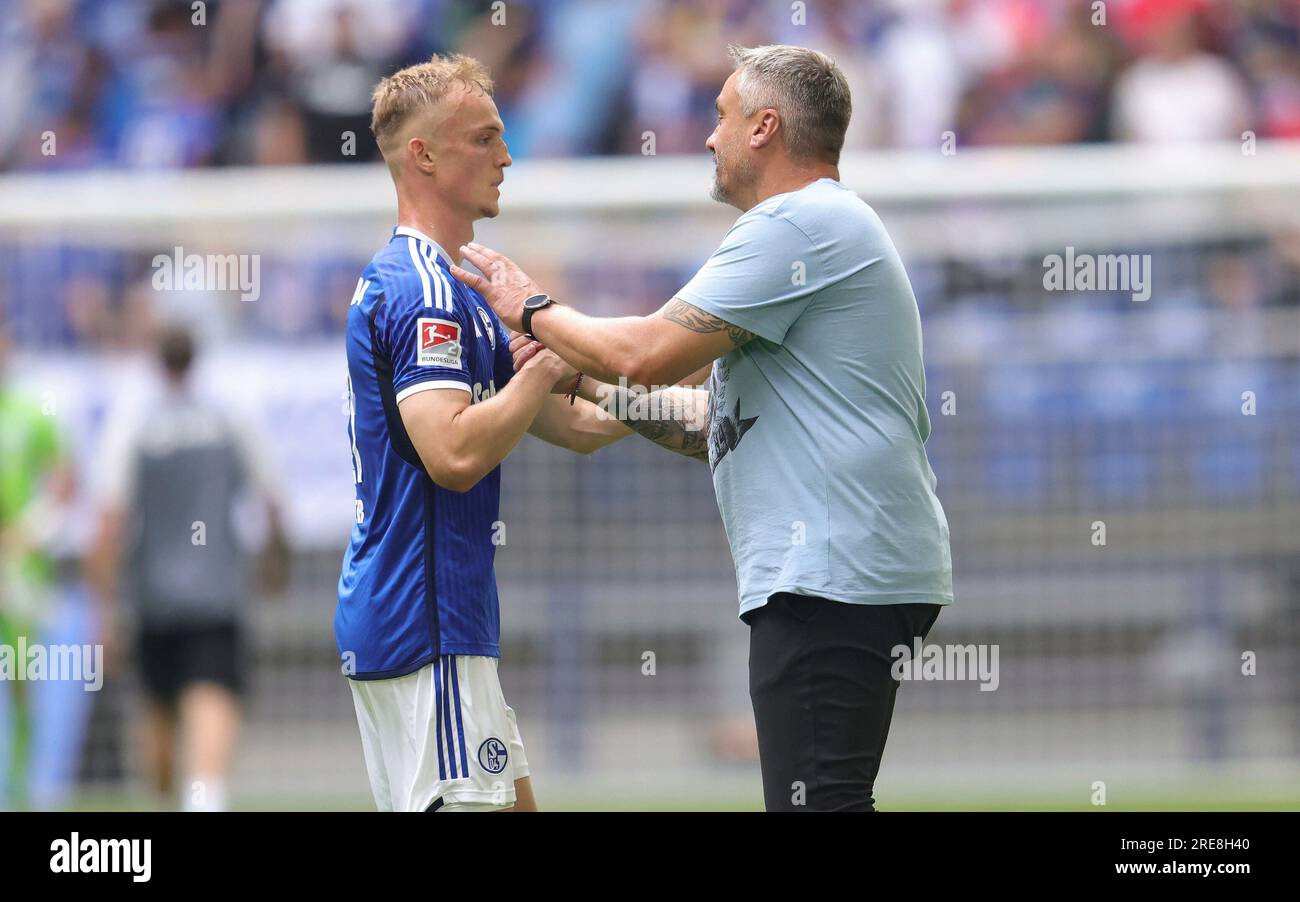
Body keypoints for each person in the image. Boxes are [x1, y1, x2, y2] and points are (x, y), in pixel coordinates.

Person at [452, 44, 954, 812]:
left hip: (832, 567)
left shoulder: (799, 224)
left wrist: (529, 306)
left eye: (722, 116)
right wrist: (578, 375)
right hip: (847, 565)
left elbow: (645, 353)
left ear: (765, 128)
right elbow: (707, 419)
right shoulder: (814, 235)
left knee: (821, 803)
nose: (709, 137)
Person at [337, 53, 629, 813]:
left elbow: (582, 426)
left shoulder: (457, 287)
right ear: (423, 155)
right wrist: (537, 363)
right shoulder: (424, 290)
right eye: (485, 138)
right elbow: (455, 452)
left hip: (438, 625)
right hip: (423, 626)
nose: (506, 156)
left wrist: (700, 379)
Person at [89, 325, 290, 811]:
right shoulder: (231, 417)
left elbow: (110, 523)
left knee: (163, 722)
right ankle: (205, 798)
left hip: (153, 598)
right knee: (211, 697)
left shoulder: (132, 423)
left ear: (157, 360)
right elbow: (272, 501)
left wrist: (103, 609)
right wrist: (276, 563)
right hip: (217, 592)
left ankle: (191, 800)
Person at [0, 325, 79, 809]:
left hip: (22, 578)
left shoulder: (32, 413)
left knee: (22, 683)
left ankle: (23, 792)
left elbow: (66, 480)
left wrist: (32, 530)